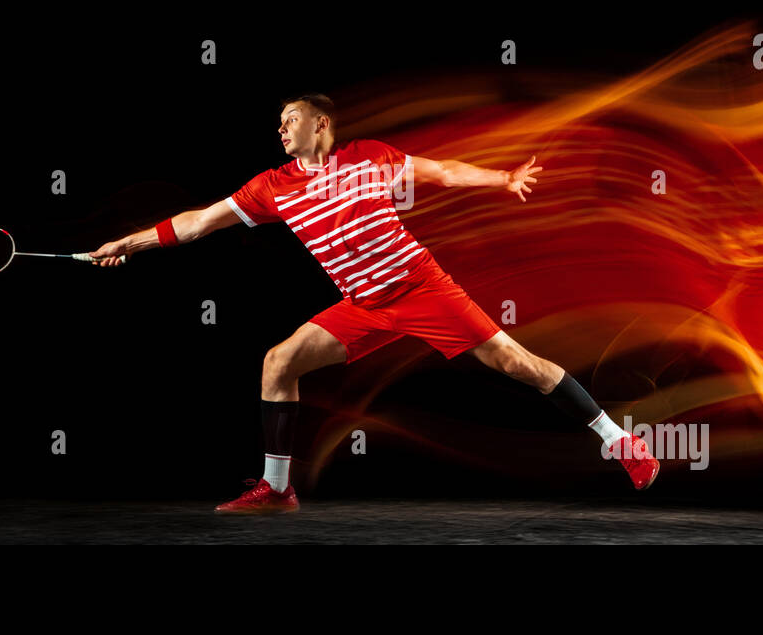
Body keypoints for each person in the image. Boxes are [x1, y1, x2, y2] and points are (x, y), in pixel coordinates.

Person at [90, 94, 659, 514]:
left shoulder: (370, 157)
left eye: (292, 119)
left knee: (519, 364)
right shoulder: (271, 186)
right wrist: (129, 244)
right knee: (277, 362)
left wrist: (503, 179)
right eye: (279, 122)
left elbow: (442, 172)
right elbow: (198, 222)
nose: (282, 128)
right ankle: (278, 489)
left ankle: (622, 443)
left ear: (322, 124)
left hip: (422, 288)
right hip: (362, 304)